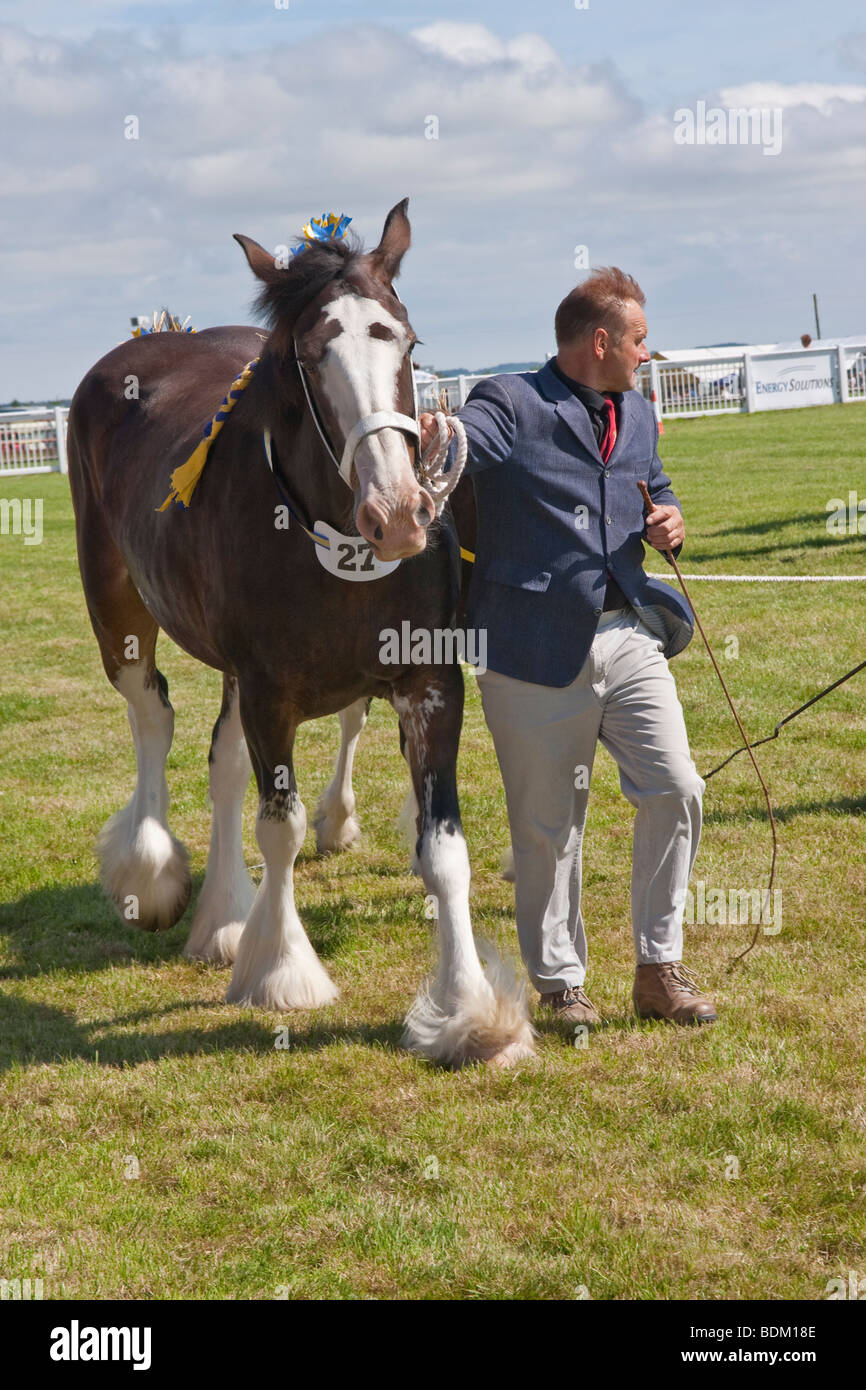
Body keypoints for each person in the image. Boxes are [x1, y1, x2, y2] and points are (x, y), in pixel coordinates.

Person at [419, 267, 716, 1030]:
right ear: (601, 340)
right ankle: (560, 985)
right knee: (550, 826)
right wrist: (435, 438)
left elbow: (656, 482)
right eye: (641, 340)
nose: (649, 354)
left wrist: (670, 518)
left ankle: (658, 969)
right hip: (529, 651)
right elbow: (465, 445)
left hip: (629, 634)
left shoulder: (640, 412)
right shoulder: (512, 401)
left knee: (678, 786)